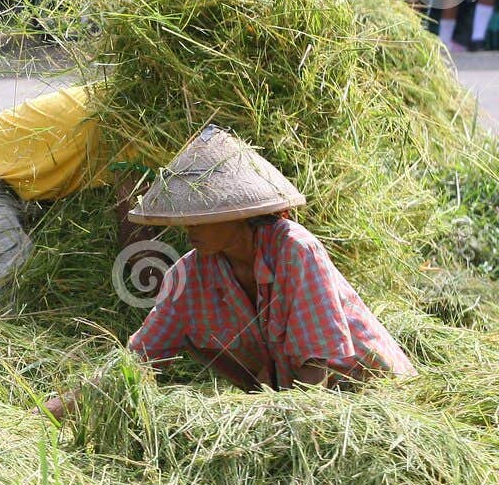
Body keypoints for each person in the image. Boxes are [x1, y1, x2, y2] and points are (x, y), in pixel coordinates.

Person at [41, 126, 415, 420]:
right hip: (297, 408)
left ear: (238, 213)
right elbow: (138, 362)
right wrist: (57, 408)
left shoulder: (293, 249)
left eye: (200, 215)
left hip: (370, 400)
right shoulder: (188, 275)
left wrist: (286, 427)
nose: (188, 226)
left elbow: (318, 365)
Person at [0, 85, 154, 310]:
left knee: (41, 277)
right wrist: (168, 298)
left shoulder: (130, 100)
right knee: (14, 269)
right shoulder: (135, 125)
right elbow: (135, 233)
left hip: (28, 188)